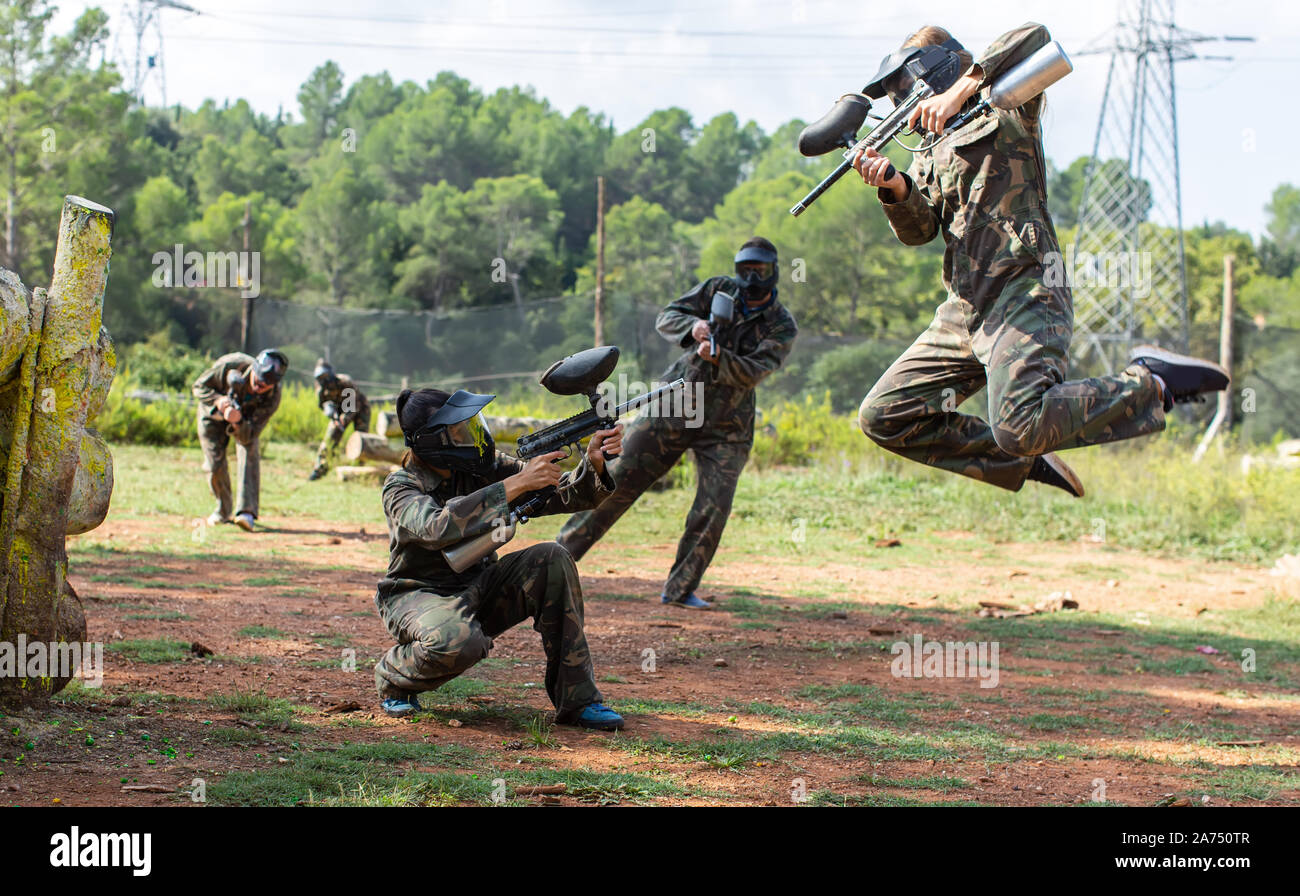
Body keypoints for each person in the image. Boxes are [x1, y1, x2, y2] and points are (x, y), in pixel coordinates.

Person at [852, 23, 1228, 497]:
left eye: (903, 85)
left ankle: (1152, 384)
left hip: (1024, 293)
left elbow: (1035, 35)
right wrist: (895, 187)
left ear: (937, 69)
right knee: (885, 415)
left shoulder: (1006, 103)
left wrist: (966, 86)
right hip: (965, 309)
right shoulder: (930, 146)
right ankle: (1018, 459)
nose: (899, 99)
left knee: (1019, 422)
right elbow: (922, 230)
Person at [557, 236, 798, 610]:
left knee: (713, 505)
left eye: (760, 271)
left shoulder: (781, 324)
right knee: (614, 480)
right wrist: (694, 328)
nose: (751, 279)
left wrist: (718, 356)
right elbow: (667, 316)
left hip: (727, 425)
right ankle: (555, 562)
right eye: (745, 270)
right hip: (675, 403)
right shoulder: (719, 289)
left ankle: (680, 589)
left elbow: (755, 371)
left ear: (774, 271)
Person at [373, 386, 626, 729]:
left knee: (552, 558)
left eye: (471, 425)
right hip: (419, 593)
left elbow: (558, 494)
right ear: (432, 441)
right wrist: (515, 485)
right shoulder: (401, 486)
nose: (471, 436)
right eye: (459, 431)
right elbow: (435, 527)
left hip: (481, 584)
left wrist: (593, 463)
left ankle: (579, 701)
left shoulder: (484, 468)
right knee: (457, 643)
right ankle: (394, 675)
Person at [192, 348, 288, 532]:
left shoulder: (273, 396)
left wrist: (238, 422)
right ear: (254, 369)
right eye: (258, 379)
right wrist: (219, 401)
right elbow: (199, 387)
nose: (260, 385)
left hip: (244, 422)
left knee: (249, 454)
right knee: (214, 465)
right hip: (211, 416)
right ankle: (223, 511)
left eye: (267, 384)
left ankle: (246, 513)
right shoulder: (231, 365)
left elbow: (251, 433)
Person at [308, 358, 371, 481]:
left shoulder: (345, 382)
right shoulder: (321, 391)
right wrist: (331, 413)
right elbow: (322, 405)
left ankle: (359, 471)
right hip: (340, 412)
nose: (324, 380)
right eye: (321, 378)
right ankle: (320, 469)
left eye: (326, 376)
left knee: (361, 439)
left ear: (331, 374)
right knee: (330, 439)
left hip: (360, 409)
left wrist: (343, 419)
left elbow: (353, 407)